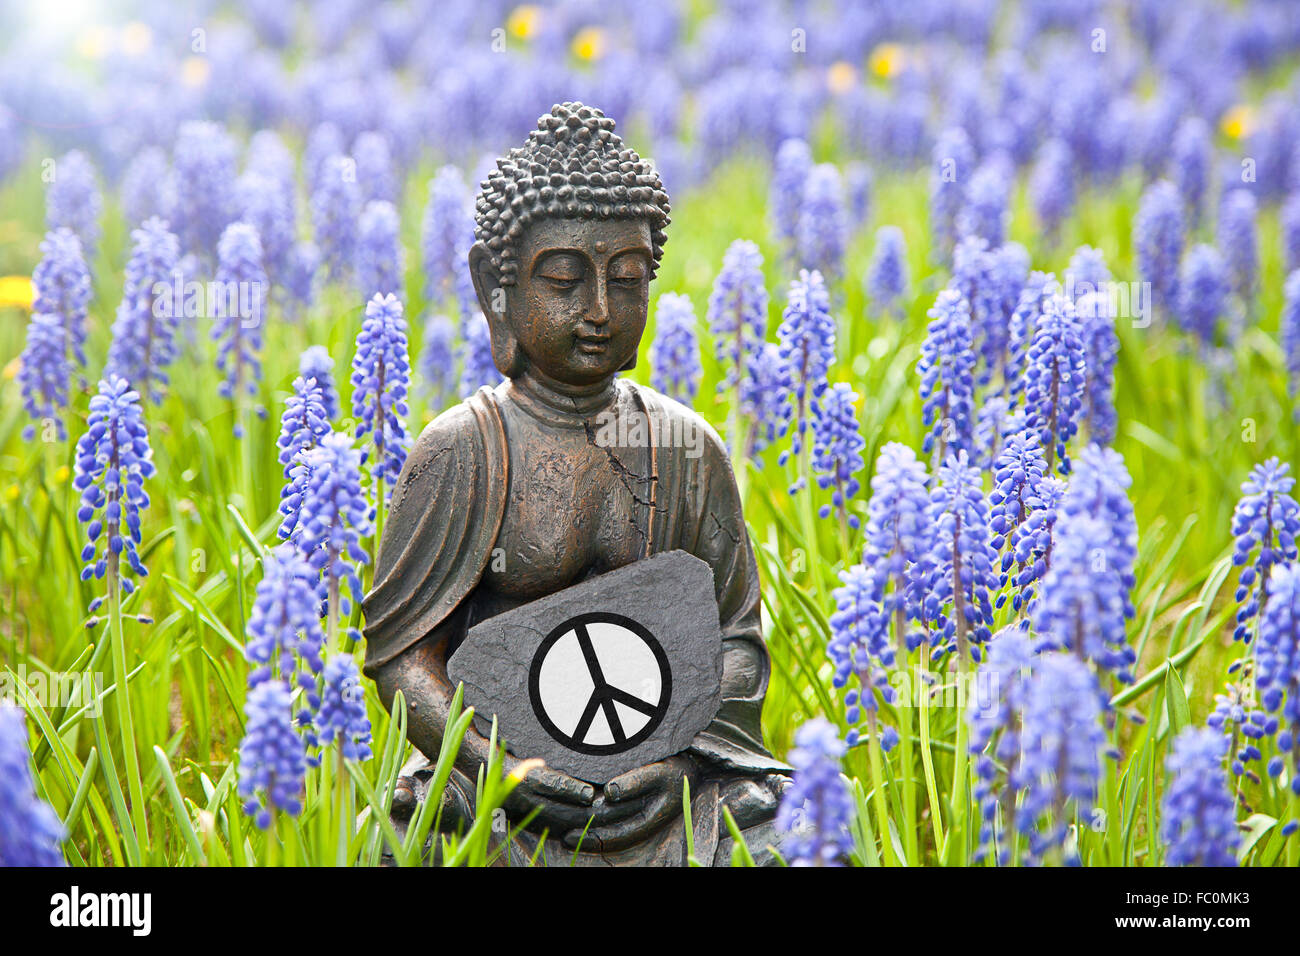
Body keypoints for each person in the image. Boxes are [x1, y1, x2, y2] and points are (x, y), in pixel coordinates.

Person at [362, 103, 789, 866]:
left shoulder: (687, 449)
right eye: (563, 279)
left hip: (664, 782)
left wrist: (681, 758)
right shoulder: (462, 451)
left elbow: (738, 645)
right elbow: (400, 659)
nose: (597, 311)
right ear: (496, 290)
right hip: (503, 786)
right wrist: (501, 772)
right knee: (407, 845)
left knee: (803, 833)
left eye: (626, 281)